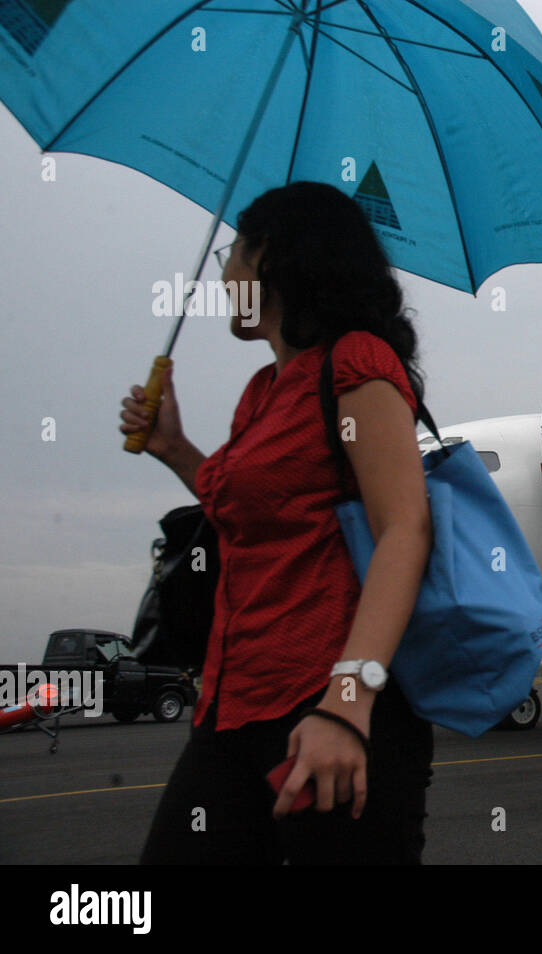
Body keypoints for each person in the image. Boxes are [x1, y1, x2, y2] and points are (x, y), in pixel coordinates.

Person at [125, 182, 434, 863]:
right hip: (231, 705)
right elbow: (245, 519)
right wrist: (174, 447)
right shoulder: (261, 394)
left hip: (325, 708)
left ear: (273, 259)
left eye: (232, 256)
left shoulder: (355, 361)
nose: (224, 276)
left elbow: (404, 528)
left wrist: (346, 704)